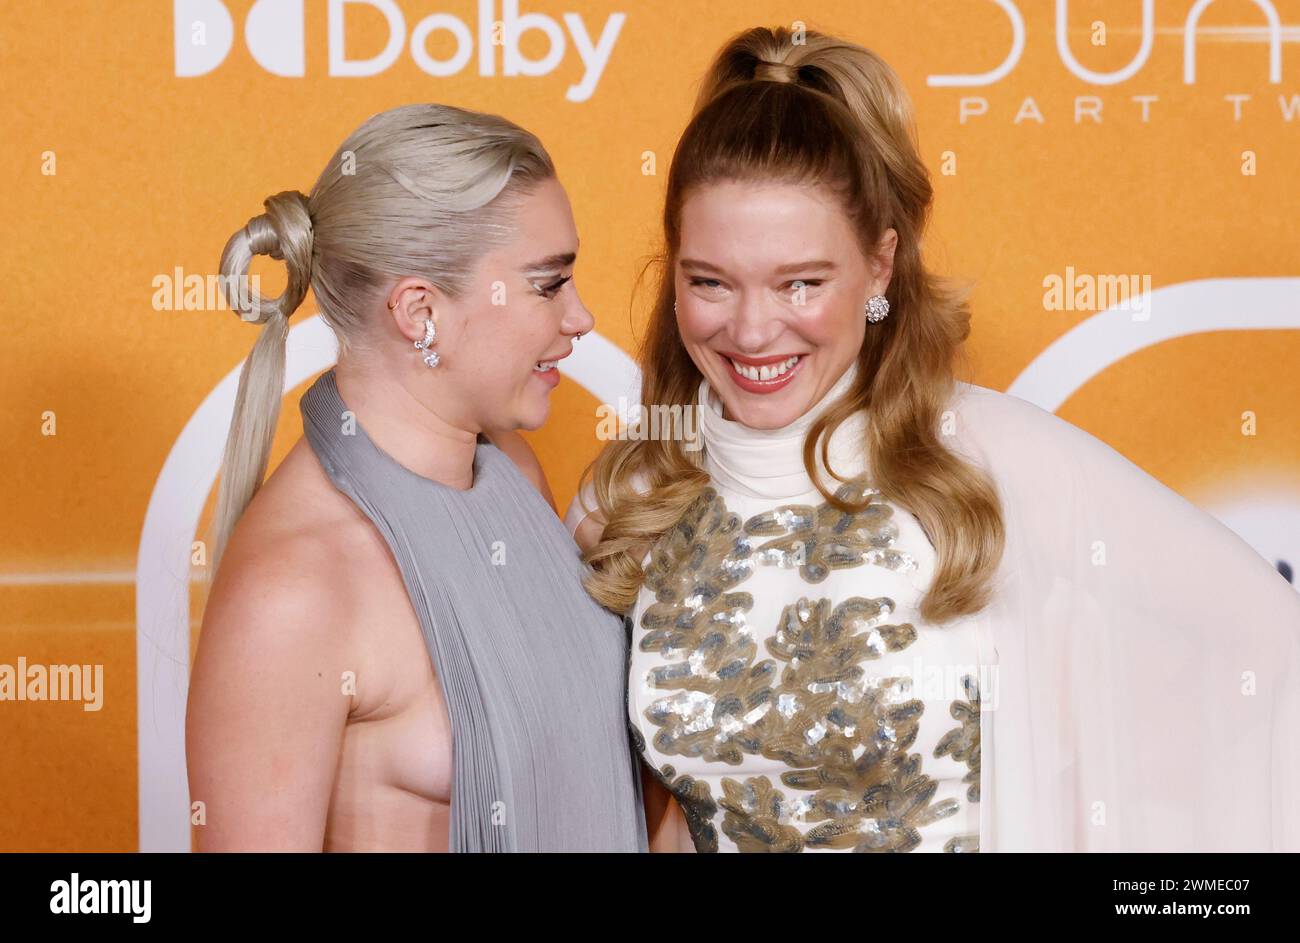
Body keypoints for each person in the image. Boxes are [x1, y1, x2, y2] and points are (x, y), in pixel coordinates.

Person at [566, 26, 1300, 853]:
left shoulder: (984, 456)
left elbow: (1266, 644)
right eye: (710, 281)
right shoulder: (632, 495)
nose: (752, 328)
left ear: (880, 268)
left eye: (800, 282)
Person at [187, 103, 647, 852]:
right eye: (546, 284)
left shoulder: (514, 478)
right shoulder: (295, 589)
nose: (581, 317)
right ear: (419, 311)